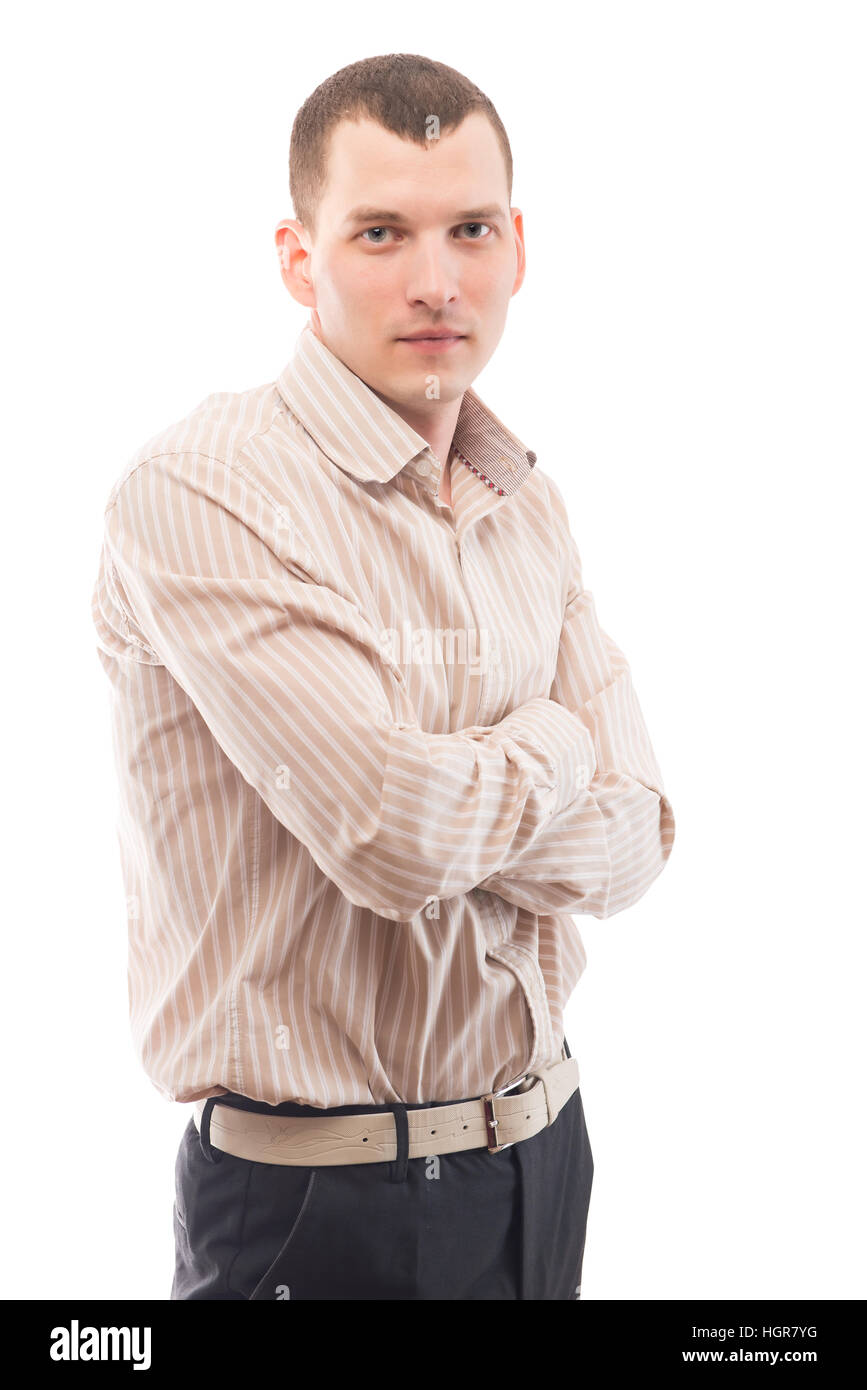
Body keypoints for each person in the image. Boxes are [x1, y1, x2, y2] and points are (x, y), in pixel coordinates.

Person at [91, 52, 675, 1301]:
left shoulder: (526, 502)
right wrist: (560, 744)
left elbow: (641, 837)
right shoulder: (205, 490)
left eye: (469, 228)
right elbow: (393, 835)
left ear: (517, 245)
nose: (434, 280)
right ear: (300, 260)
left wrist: (467, 783)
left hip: (543, 1162)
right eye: (379, 232)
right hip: (319, 1208)